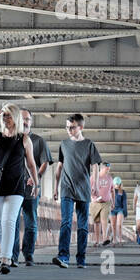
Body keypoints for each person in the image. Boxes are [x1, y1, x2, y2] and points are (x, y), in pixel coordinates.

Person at [0, 104, 39, 274]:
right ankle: (7, 256)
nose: (6, 119)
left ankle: (5, 259)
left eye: (9, 116)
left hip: (16, 187)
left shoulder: (24, 139)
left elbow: (31, 164)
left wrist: (36, 183)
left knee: (9, 221)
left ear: (16, 117)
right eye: (4, 116)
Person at [52, 113, 103, 269]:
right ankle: (63, 257)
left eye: (72, 127)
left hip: (83, 189)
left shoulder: (89, 144)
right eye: (67, 127)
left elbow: (95, 166)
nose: (69, 130)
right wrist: (55, 187)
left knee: (82, 226)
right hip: (66, 188)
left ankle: (81, 258)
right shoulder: (64, 144)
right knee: (66, 222)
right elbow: (59, 166)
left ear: (80, 127)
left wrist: (94, 184)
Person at [9, 110, 52, 267]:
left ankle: (28, 255)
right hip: (13, 188)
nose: (25, 121)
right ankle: (12, 256)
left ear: (32, 121)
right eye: (22, 119)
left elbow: (45, 162)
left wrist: (36, 179)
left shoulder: (38, 141)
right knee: (12, 222)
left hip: (30, 189)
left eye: (27, 119)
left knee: (31, 222)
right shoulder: (11, 139)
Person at [89, 163, 115, 247]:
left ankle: (104, 238)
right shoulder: (93, 177)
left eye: (109, 169)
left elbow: (112, 191)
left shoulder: (109, 178)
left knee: (104, 220)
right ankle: (97, 241)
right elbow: (88, 189)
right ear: (102, 168)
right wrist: (92, 196)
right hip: (95, 202)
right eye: (106, 169)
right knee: (96, 222)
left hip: (106, 202)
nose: (108, 170)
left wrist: (113, 202)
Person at [110, 177, 128, 246]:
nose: (116, 185)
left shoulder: (122, 192)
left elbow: (124, 203)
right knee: (113, 225)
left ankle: (120, 239)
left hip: (120, 209)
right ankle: (114, 239)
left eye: (118, 184)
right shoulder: (111, 191)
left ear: (120, 184)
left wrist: (125, 213)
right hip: (113, 210)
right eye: (115, 184)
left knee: (119, 225)